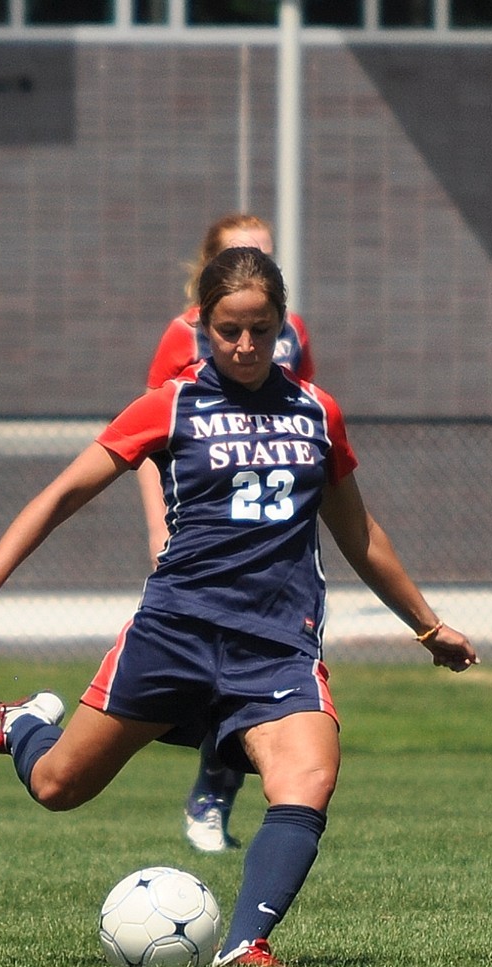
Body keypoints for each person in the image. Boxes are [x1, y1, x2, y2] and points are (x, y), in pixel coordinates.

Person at [0, 246, 477, 967]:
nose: (246, 345)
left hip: (278, 641)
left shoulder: (317, 412)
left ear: (283, 323)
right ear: (205, 328)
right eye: (229, 330)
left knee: (308, 778)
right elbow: (66, 492)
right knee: (59, 786)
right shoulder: (172, 404)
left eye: (261, 328)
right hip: (175, 634)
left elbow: (360, 534)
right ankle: (24, 722)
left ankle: (246, 943)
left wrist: (427, 626)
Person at [138, 214, 316, 855]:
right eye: (243, 254)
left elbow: (304, 421)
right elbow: (146, 441)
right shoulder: (181, 339)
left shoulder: (292, 336)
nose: (247, 342)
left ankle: (216, 794)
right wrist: (161, 529)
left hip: (273, 556)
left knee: (269, 687)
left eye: (266, 255)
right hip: (202, 548)